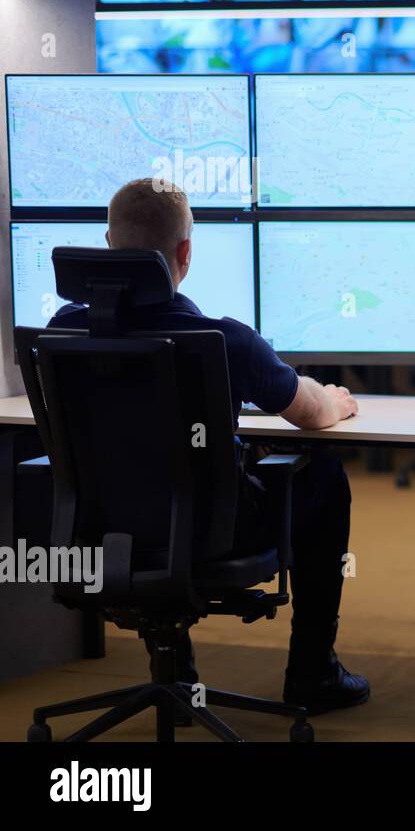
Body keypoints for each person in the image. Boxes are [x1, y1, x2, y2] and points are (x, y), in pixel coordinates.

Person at [47, 179, 369, 715]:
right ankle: (313, 673)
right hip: (215, 533)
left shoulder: (60, 335)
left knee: (143, 490)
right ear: (185, 253)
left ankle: (173, 677)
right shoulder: (222, 340)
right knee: (322, 474)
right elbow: (312, 414)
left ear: (108, 243)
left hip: (96, 531)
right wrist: (335, 398)